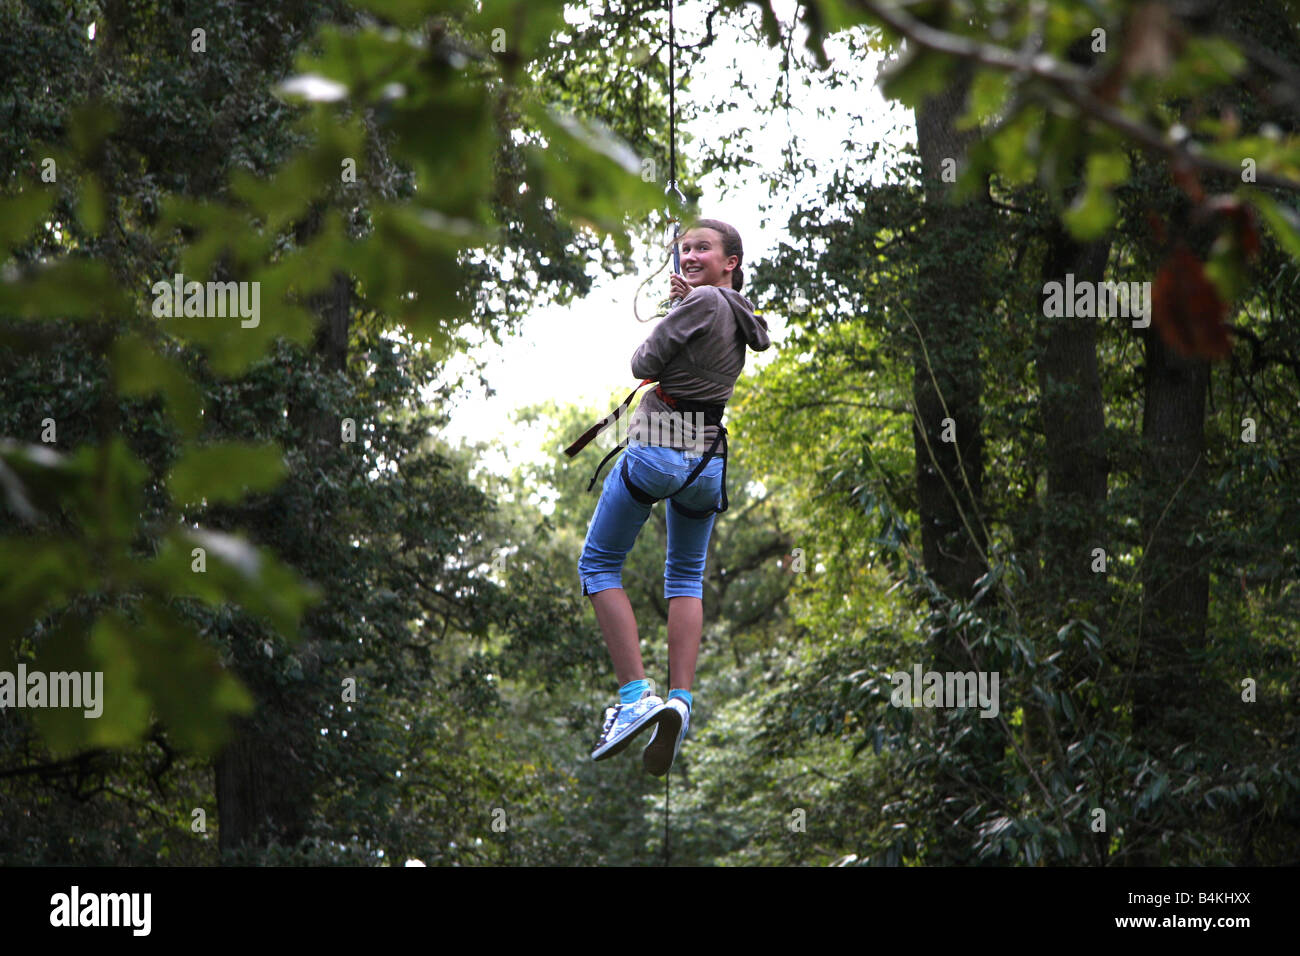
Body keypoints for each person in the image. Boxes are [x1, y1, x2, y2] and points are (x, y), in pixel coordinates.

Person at [578, 218, 771, 775]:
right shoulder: (738, 311)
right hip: (706, 460)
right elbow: (715, 319)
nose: (688, 254)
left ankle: (636, 696)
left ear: (730, 260)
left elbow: (643, 364)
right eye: (683, 248)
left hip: (661, 448)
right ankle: (680, 701)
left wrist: (675, 310)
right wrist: (689, 302)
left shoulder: (697, 304)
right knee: (685, 577)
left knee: (599, 565)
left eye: (702, 248)